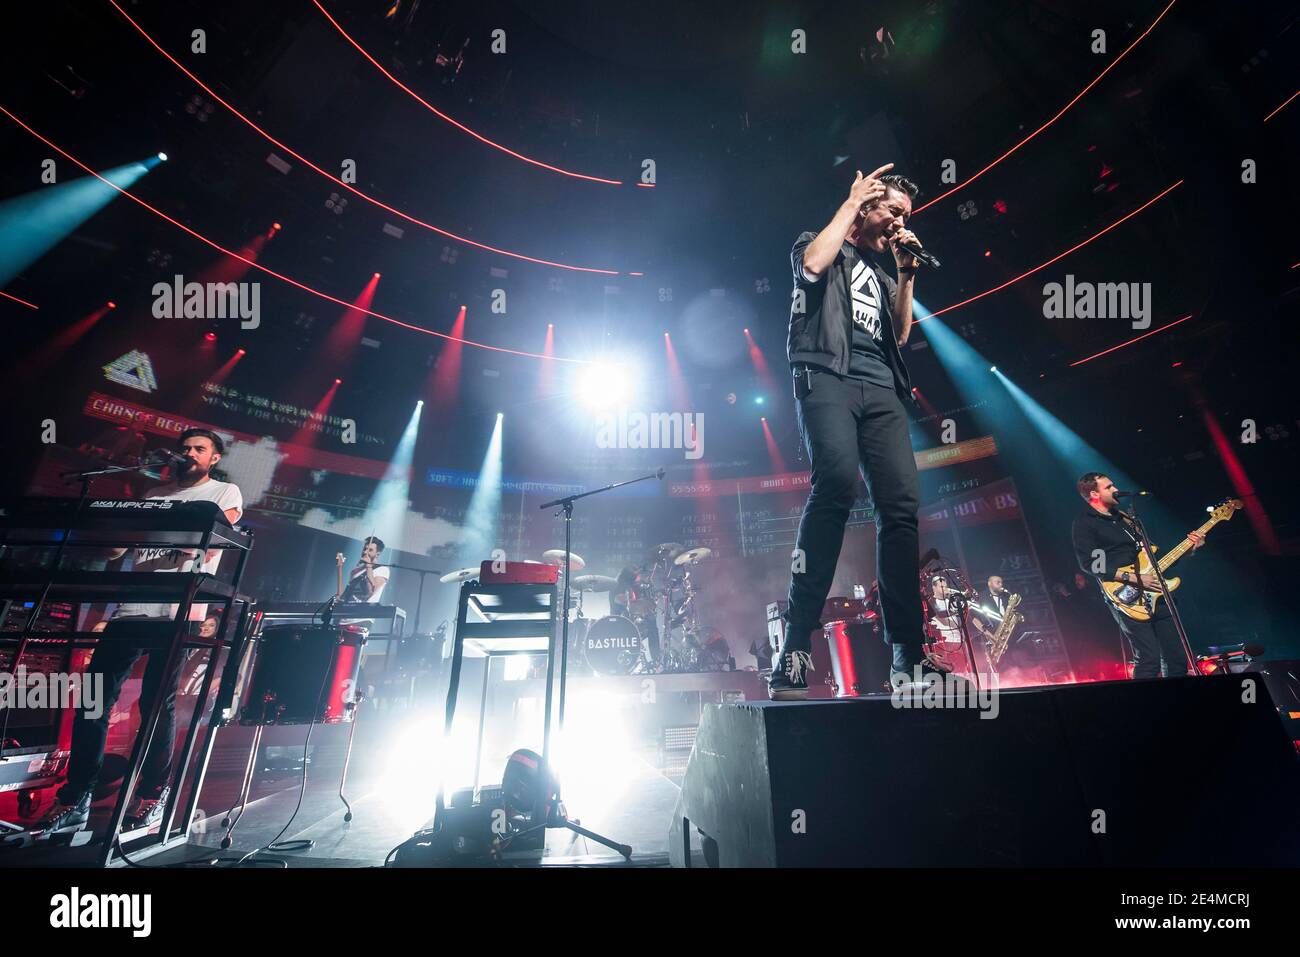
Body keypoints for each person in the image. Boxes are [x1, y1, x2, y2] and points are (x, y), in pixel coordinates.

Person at [772, 163, 937, 698]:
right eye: (891, 209)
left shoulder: (886, 269)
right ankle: (796, 646)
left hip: (882, 388)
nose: (898, 221)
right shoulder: (822, 244)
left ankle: (908, 657)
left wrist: (907, 273)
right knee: (837, 487)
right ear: (866, 205)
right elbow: (813, 265)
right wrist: (849, 204)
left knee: (901, 509)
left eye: (905, 215)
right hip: (828, 377)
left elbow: (901, 334)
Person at [37, 428, 242, 834]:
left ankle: (153, 791)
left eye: (199, 449)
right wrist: (113, 526)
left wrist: (158, 527)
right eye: (185, 448)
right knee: (93, 702)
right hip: (130, 609)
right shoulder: (152, 495)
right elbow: (117, 551)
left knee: (155, 704)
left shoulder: (224, 493)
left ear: (214, 458)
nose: (190, 453)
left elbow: (210, 546)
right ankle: (76, 795)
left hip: (176, 610)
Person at [1070, 472, 1202, 680]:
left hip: (1155, 591)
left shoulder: (1125, 518)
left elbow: (1152, 556)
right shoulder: (1086, 523)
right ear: (1094, 493)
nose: (1115, 489)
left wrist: (1190, 549)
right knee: (1148, 658)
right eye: (1109, 487)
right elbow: (1091, 563)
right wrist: (1133, 578)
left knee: (1176, 657)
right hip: (1124, 594)